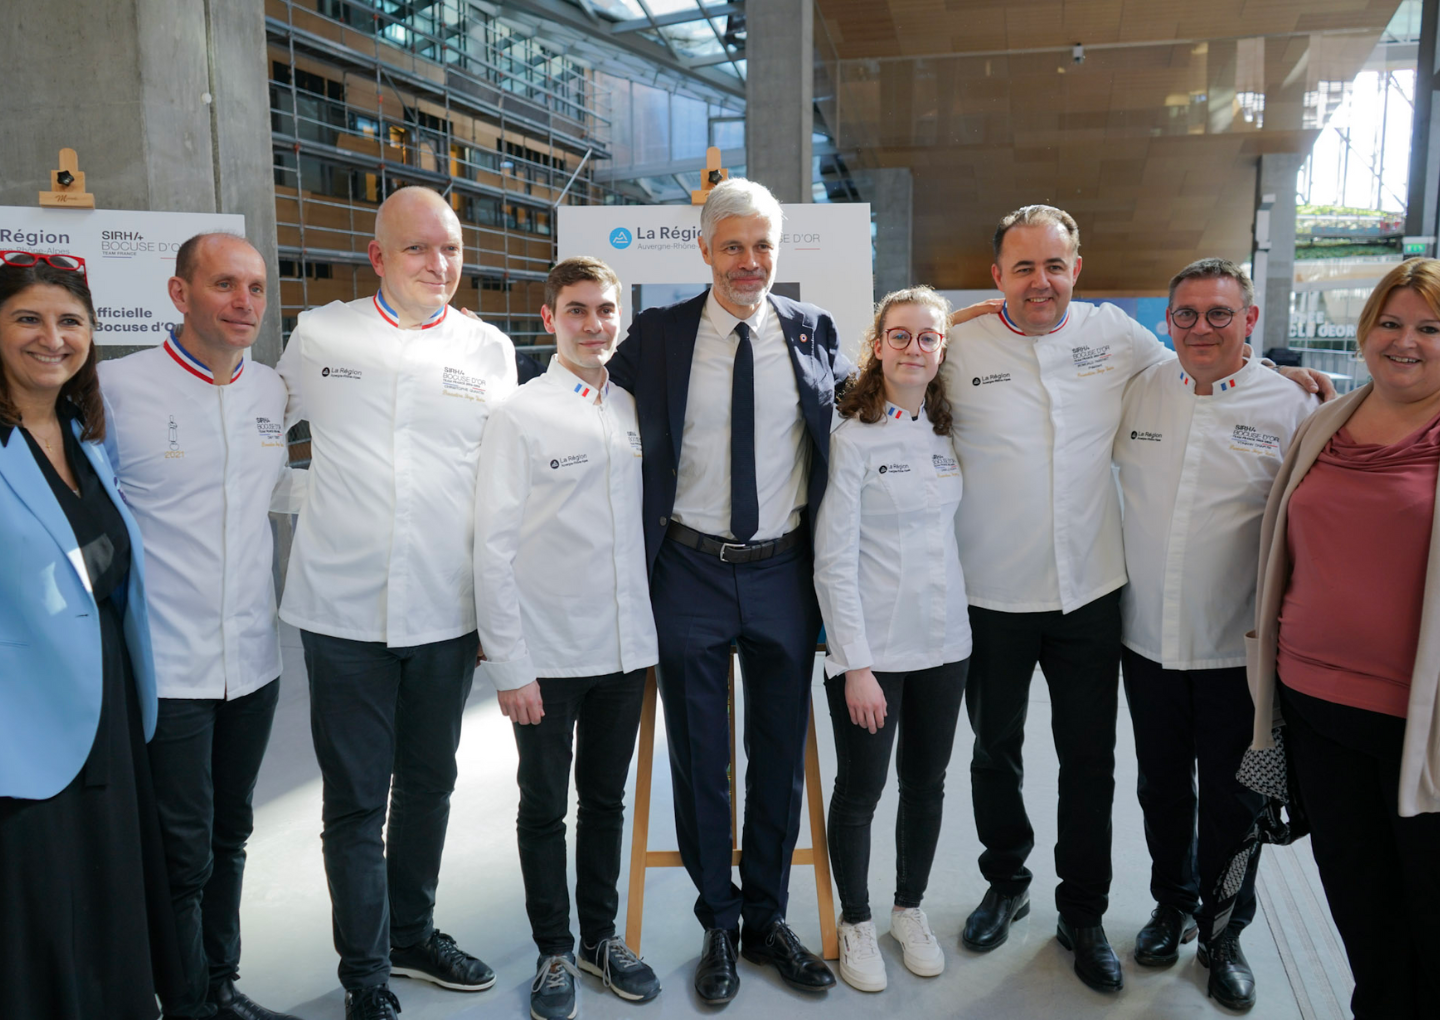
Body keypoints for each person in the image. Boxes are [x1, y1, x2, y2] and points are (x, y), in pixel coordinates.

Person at [939, 205, 1330, 993]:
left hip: (1092, 594)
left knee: (1092, 763)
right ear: (997, 276)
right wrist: (944, 315)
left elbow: (1208, 370)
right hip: (990, 590)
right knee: (994, 753)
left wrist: (1282, 375)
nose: (1041, 281)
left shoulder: (1119, 337)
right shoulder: (958, 343)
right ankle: (1007, 882)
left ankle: (1084, 912)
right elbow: (881, 376)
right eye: (1023, 267)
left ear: (1077, 268)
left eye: (1055, 265)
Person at [276, 186, 517, 1020]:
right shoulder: (321, 335)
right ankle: (366, 976)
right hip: (340, 613)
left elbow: (500, 491)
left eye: (449, 249)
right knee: (353, 799)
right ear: (378, 258)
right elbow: (256, 427)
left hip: (446, 614)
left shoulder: (488, 348)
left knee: (430, 782)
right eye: (417, 249)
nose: (438, 265)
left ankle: (412, 933)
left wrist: (498, 609)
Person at [607, 178, 848, 1003]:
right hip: (689, 571)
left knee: (779, 755)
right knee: (701, 756)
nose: (750, 262)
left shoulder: (813, 331)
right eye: (734, 246)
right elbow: (591, 413)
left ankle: (768, 919)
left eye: (764, 246)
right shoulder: (660, 336)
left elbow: (863, 412)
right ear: (705, 250)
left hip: (784, 570)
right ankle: (716, 920)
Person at [98, 233, 303, 1020]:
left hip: (254, 661)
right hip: (167, 665)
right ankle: (180, 1002)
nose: (245, 303)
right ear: (180, 294)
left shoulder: (271, 392)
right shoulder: (116, 387)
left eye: (254, 288)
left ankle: (220, 984)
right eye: (224, 285)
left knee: (231, 836)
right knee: (181, 852)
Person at [1114, 258, 1317, 1012]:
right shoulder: (1139, 389)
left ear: (1250, 321)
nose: (1202, 327)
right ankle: (1172, 905)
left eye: (1219, 313)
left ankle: (1224, 933)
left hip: (1239, 648)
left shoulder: (1291, 407)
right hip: (1146, 642)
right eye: (1187, 314)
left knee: (1235, 800)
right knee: (1160, 786)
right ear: (1168, 322)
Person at [1249, 257, 1440, 1020]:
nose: (1406, 342)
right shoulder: (1328, 420)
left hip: (1421, 730)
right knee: (1359, 902)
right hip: (1317, 711)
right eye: (1389, 324)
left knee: (1427, 909)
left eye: (1430, 327)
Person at [475, 256, 661, 1020]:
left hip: (624, 651)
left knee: (608, 802)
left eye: (607, 310)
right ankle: (554, 947)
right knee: (544, 806)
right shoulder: (518, 415)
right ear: (549, 319)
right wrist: (510, 664)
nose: (595, 325)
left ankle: (600, 939)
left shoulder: (636, 409)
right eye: (579, 311)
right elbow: (491, 546)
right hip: (546, 655)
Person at [0, 254, 181, 1018]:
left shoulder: (83, 437)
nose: (53, 338)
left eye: (70, 321)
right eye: (28, 319)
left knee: (105, 890)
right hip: (21, 722)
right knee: (37, 909)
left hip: (105, 702)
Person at [813, 286, 971, 993]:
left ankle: (909, 909)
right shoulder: (852, 437)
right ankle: (855, 919)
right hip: (871, 654)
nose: (915, 349)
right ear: (877, 345)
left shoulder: (945, 431)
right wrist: (855, 666)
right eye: (899, 336)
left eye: (928, 338)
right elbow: (832, 560)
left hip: (945, 645)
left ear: (942, 349)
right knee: (862, 789)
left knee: (928, 783)